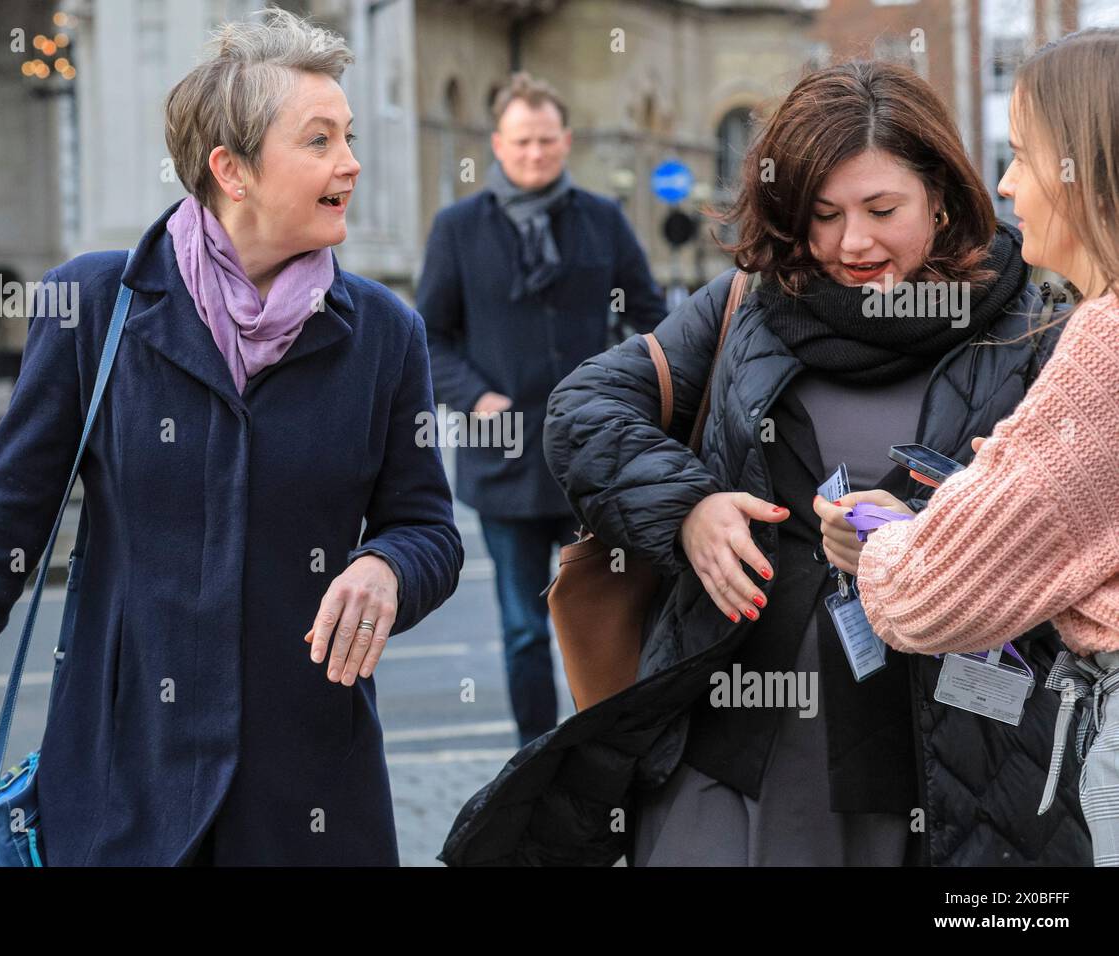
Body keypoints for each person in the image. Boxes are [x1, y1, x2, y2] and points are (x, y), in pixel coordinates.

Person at [440, 59, 1091, 867]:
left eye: (881, 208)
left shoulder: (1037, 325)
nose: (853, 243)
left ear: (942, 193)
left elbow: (1072, 529)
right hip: (728, 751)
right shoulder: (750, 303)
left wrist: (928, 541)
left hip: (949, 767)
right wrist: (687, 508)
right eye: (823, 215)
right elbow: (585, 410)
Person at [0, 8, 462, 866]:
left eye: (349, 136)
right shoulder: (96, 307)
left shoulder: (386, 334)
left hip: (310, 799)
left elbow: (430, 530)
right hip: (121, 786)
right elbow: (0, 532)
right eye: (319, 140)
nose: (351, 164)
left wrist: (387, 566)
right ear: (231, 170)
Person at [843, 28, 1119, 867]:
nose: (1007, 186)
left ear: (1088, 170)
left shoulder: (1105, 348)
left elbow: (924, 596)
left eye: (1024, 157)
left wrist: (881, 536)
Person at [419, 71, 666, 745]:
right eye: (522, 142)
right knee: (525, 628)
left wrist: (631, 392)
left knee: (604, 616)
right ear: (498, 144)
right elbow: (430, 338)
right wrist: (476, 397)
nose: (536, 154)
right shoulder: (457, 229)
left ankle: (607, 751)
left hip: (591, 460)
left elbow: (654, 323)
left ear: (566, 140)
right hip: (501, 463)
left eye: (547, 141)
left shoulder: (602, 220)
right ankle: (537, 758)